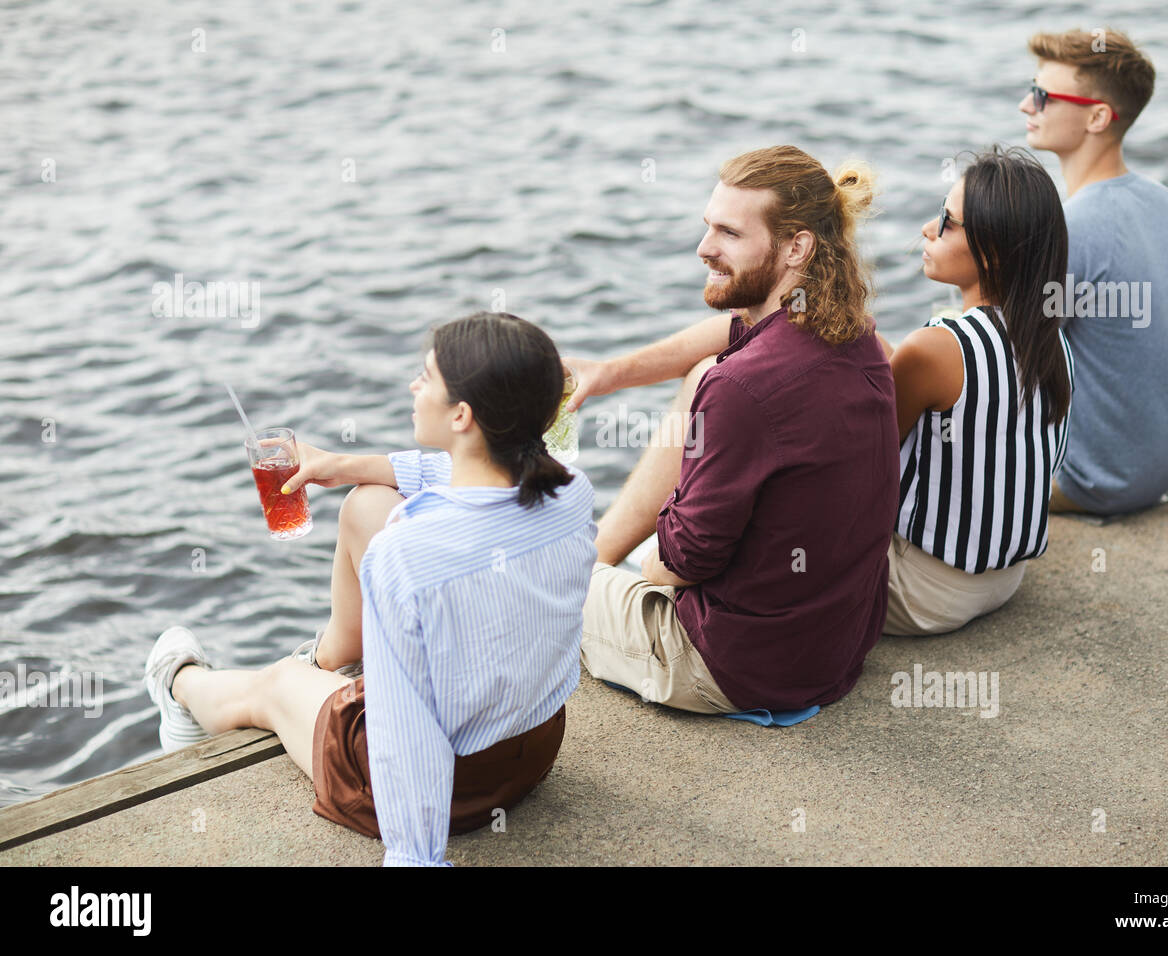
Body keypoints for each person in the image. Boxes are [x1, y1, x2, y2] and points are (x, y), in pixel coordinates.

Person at [144, 312, 597, 866]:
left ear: (461, 414)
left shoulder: (405, 555)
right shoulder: (571, 492)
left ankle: (178, 685)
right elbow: (464, 478)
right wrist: (347, 464)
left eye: (426, 377)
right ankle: (332, 662)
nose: (413, 386)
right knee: (367, 502)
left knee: (276, 685)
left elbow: (406, 742)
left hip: (459, 789)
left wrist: (415, 857)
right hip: (534, 748)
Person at [563, 145, 898, 714]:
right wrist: (611, 372)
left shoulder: (740, 390)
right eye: (707, 227)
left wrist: (650, 564)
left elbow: (682, 560)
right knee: (702, 378)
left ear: (797, 247)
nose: (704, 249)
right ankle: (596, 558)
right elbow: (728, 335)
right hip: (835, 649)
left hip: (729, 666)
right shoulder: (854, 332)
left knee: (537, 583)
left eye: (728, 234)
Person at [876, 147, 1074, 635]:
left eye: (947, 220)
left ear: (991, 250)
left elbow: (864, 462)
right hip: (1002, 580)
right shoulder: (1053, 341)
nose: (928, 228)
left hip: (919, 593)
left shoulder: (937, 349)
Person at [1021, 27, 1168, 515]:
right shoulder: (1162, 200)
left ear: (1098, 117)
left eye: (1042, 95)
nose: (1025, 105)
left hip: (1097, 481)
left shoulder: (1074, 225)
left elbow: (1005, 361)